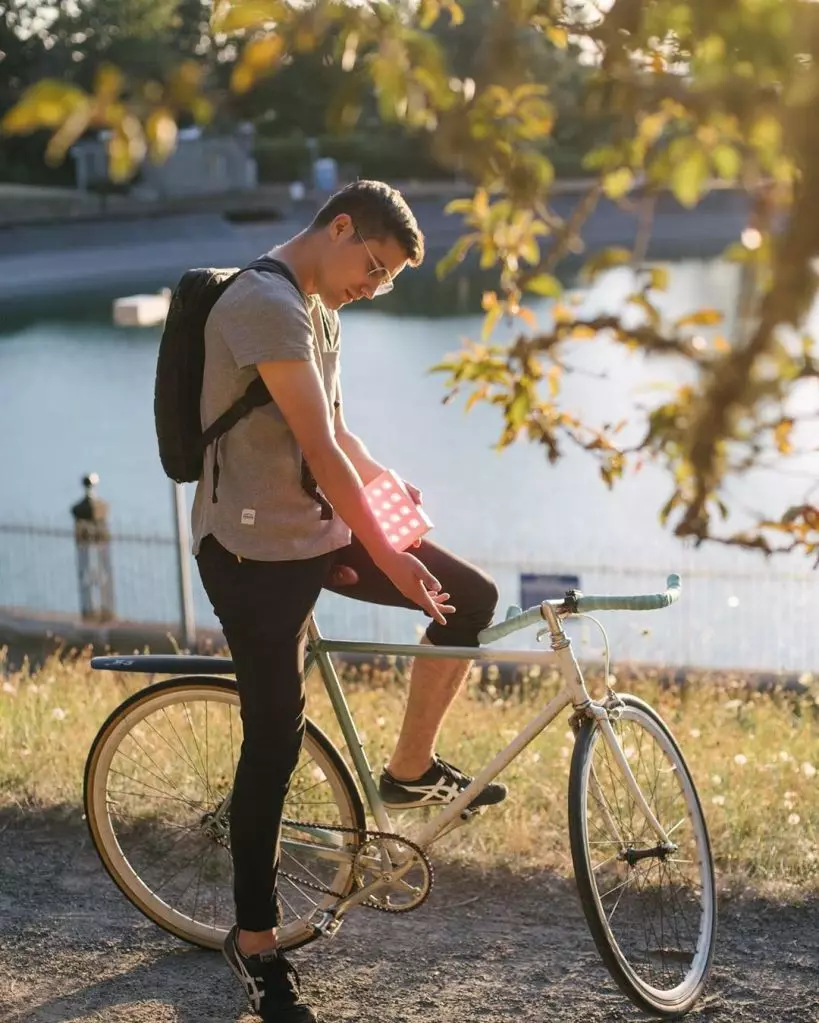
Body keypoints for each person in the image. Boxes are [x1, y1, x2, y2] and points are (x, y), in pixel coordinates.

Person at [192, 179, 506, 1023]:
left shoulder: (319, 305)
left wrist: (384, 482)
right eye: (371, 267)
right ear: (337, 229)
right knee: (274, 743)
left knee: (469, 598)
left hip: (318, 531)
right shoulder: (262, 302)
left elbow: (337, 438)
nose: (373, 287)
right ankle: (255, 945)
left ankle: (406, 774)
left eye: (386, 279)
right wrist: (390, 555)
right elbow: (317, 447)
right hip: (252, 553)